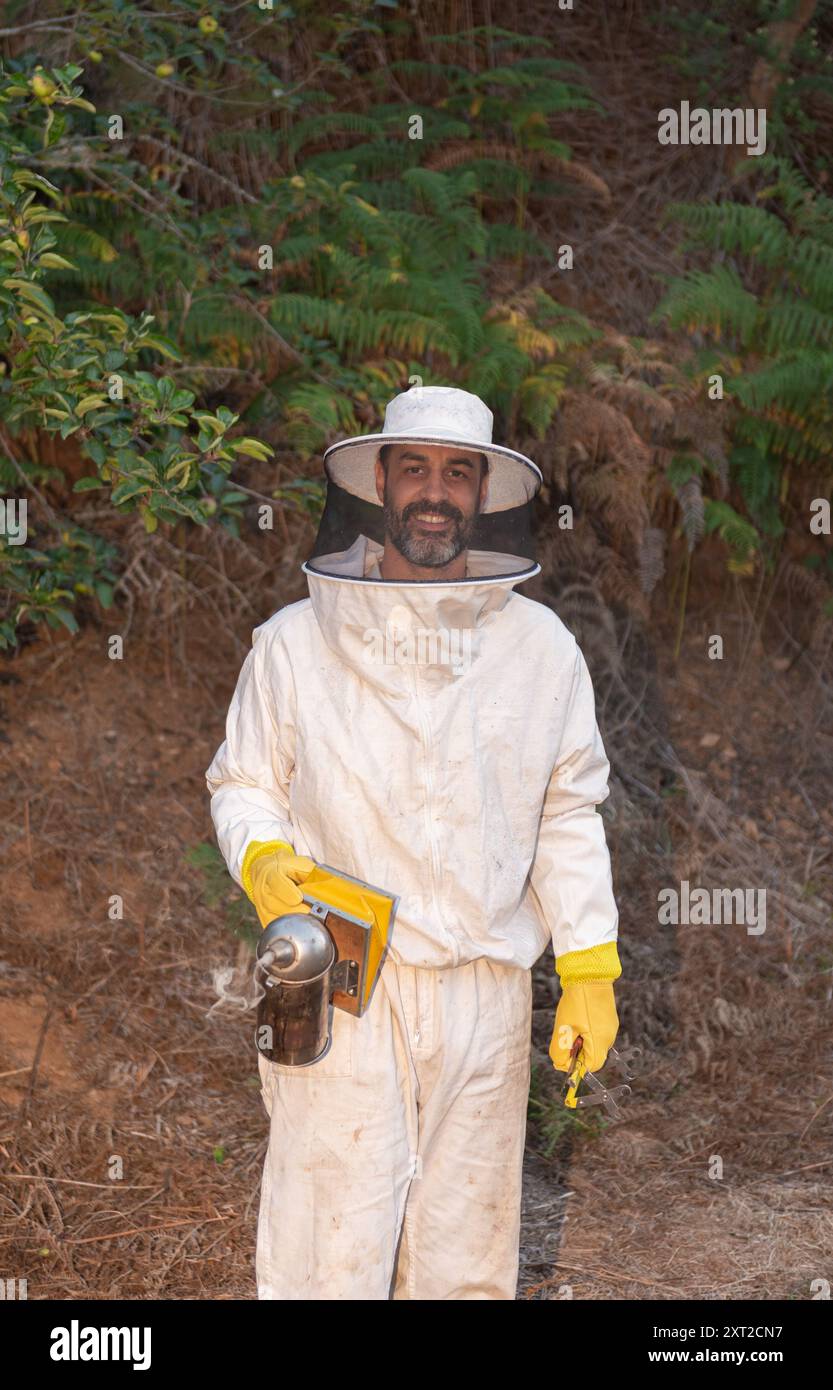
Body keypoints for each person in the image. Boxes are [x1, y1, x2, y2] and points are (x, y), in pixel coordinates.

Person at [205, 384, 622, 1300]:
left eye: (458, 473)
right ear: (380, 483)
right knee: (327, 1250)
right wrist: (263, 858)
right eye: (416, 469)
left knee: (466, 1258)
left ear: (483, 495)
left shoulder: (541, 650)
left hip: (487, 993)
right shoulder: (291, 645)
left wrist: (589, 962)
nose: (435, 492)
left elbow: (566, 810)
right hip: (340, 986)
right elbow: (241, 782)